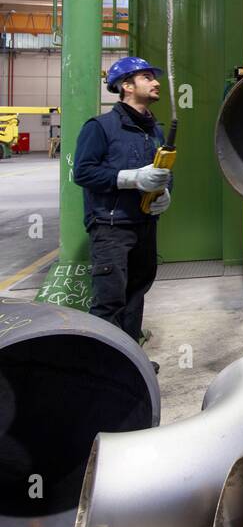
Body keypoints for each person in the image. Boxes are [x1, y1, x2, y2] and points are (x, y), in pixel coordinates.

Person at [73, 56, 172, 344]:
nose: (156, 83)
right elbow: (83, 172)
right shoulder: (100, 127)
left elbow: (162, 171)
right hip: (110, 226)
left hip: (144, 224)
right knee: (109, 301)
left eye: (154, 78)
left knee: (136, 294)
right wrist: (130, 178)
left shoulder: (154, 130)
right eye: (147, 78)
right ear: (126, 86)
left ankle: (132, 359)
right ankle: (104, 368)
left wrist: (166, 193)